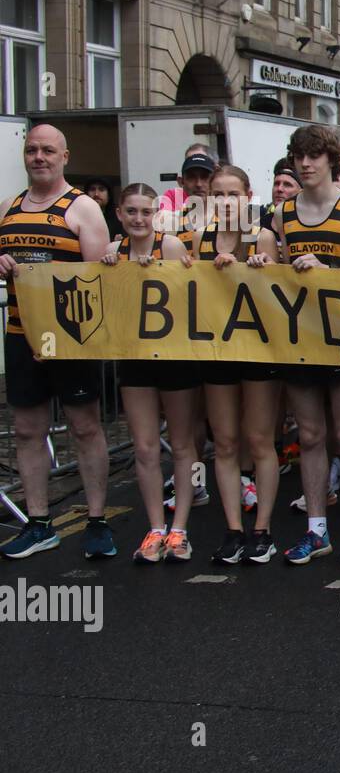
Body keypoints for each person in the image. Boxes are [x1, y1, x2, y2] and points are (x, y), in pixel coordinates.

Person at [0, 124, 115, 559]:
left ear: (65, 157)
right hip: (20, 334)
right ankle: (39, 521)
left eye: (48, 150)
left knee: (85, 427)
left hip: (71, 339)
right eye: (32, 150)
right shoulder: (8, 207)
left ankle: (98, 520)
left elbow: (100, 279)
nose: (39, 157)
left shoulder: (83, 208)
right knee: (29, 430)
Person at [273, 125, 340, 565]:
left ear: (333, 160)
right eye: (300, 156)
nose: (307, 163)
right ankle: (316, 529)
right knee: (310, 434)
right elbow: (279, 270)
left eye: (315, 156)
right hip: (302, 337)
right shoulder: (283, 213)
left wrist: (329, 265)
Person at [98, 185, 198, 562]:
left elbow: (192, 295)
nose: (138, 219)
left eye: (146, 212)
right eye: (131, 212)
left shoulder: (169, 246)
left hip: (175, 357)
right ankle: (156, 526)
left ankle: (180, 528)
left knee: (184, 444)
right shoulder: (113, 251)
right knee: (144, 446)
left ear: (156, 214)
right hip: (135, 356)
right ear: (120, 214)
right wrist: (110, 274)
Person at [199, 165, 285, 565]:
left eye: (232, 194)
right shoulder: (201, 237)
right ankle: (233, 528)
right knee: (226, 442)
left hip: (258, 349)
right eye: (217, 194)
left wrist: (262, 268)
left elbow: (277, 289)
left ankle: (263, 529)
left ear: (248, 195)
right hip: (216, 349)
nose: (225, 202)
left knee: (259, 440)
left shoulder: (261, 234)